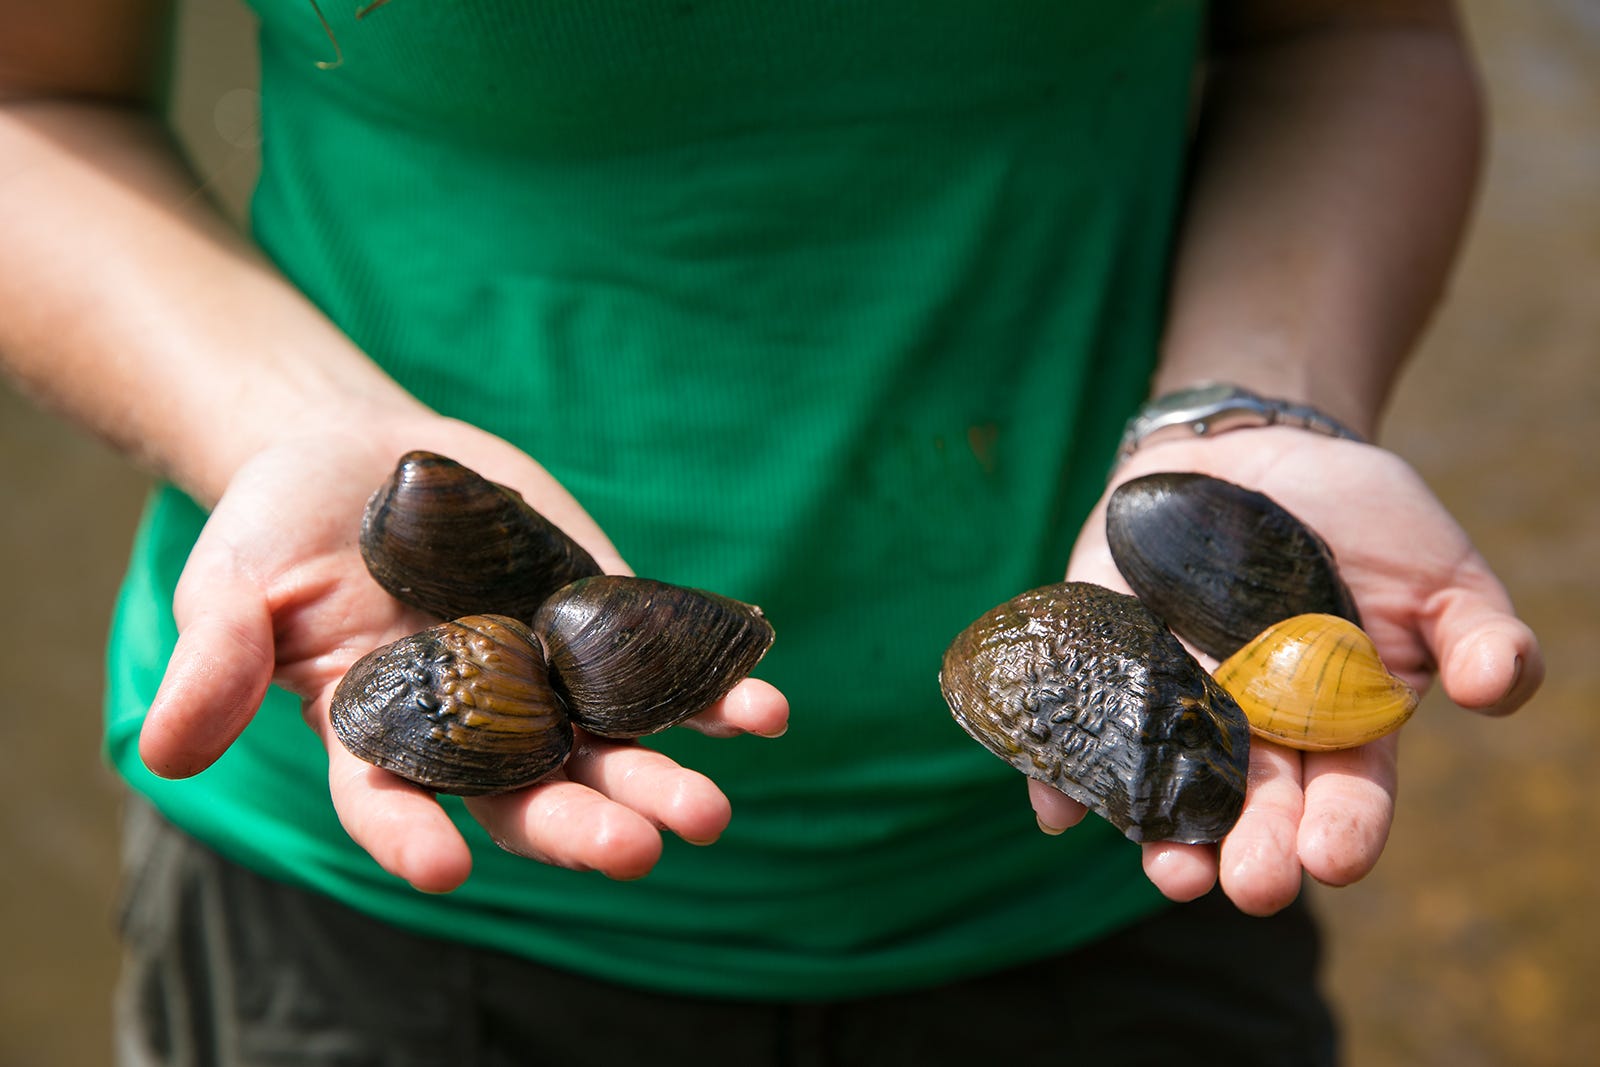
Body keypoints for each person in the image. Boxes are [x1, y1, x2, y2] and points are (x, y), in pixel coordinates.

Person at [0, 0, 1544, 1064]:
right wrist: (275, 425)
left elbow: (1354, 31)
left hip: (1110, 891)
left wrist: (1251, 407)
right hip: (371, 905)